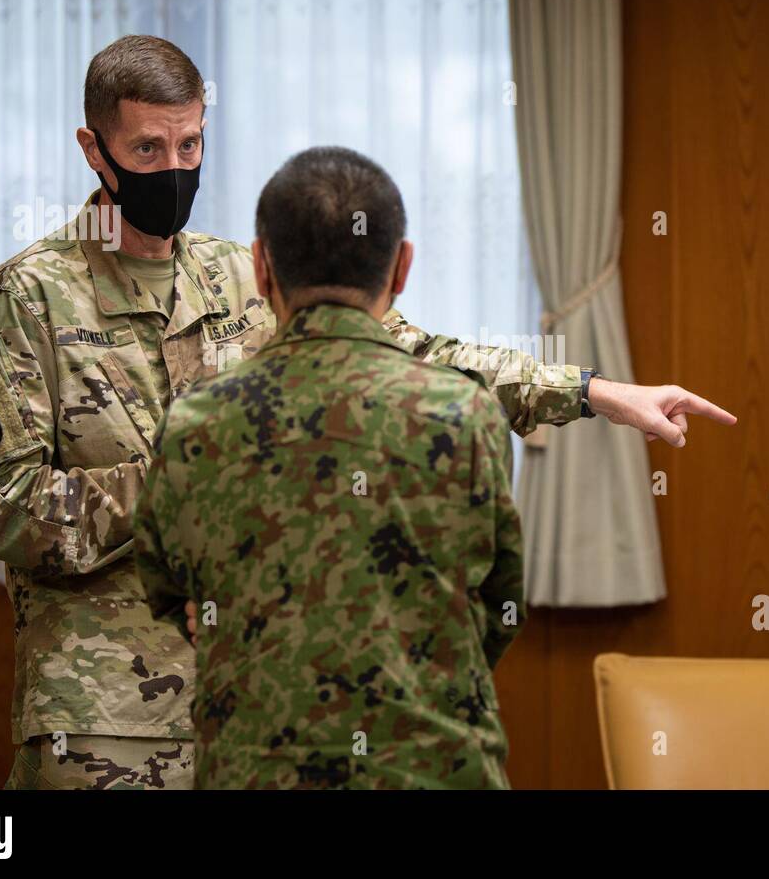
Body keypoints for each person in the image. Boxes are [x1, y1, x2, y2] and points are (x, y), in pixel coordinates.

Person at [0, 34, 735, 789]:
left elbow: (412, 355)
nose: (174, 167)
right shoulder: (25, 299)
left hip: (255, 707)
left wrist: (594, 391)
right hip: (102, 717)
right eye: (148, 150)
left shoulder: (239, 274)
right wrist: (184, 479)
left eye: (191, 146)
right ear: (95, 149)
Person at [133, 147, 519, 788]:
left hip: (252, 771)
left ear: (260, 268)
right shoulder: (465, 413)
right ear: (402, 268)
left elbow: (168, 590)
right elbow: (501, 602)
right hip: (431, 766)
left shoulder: (196, 423)